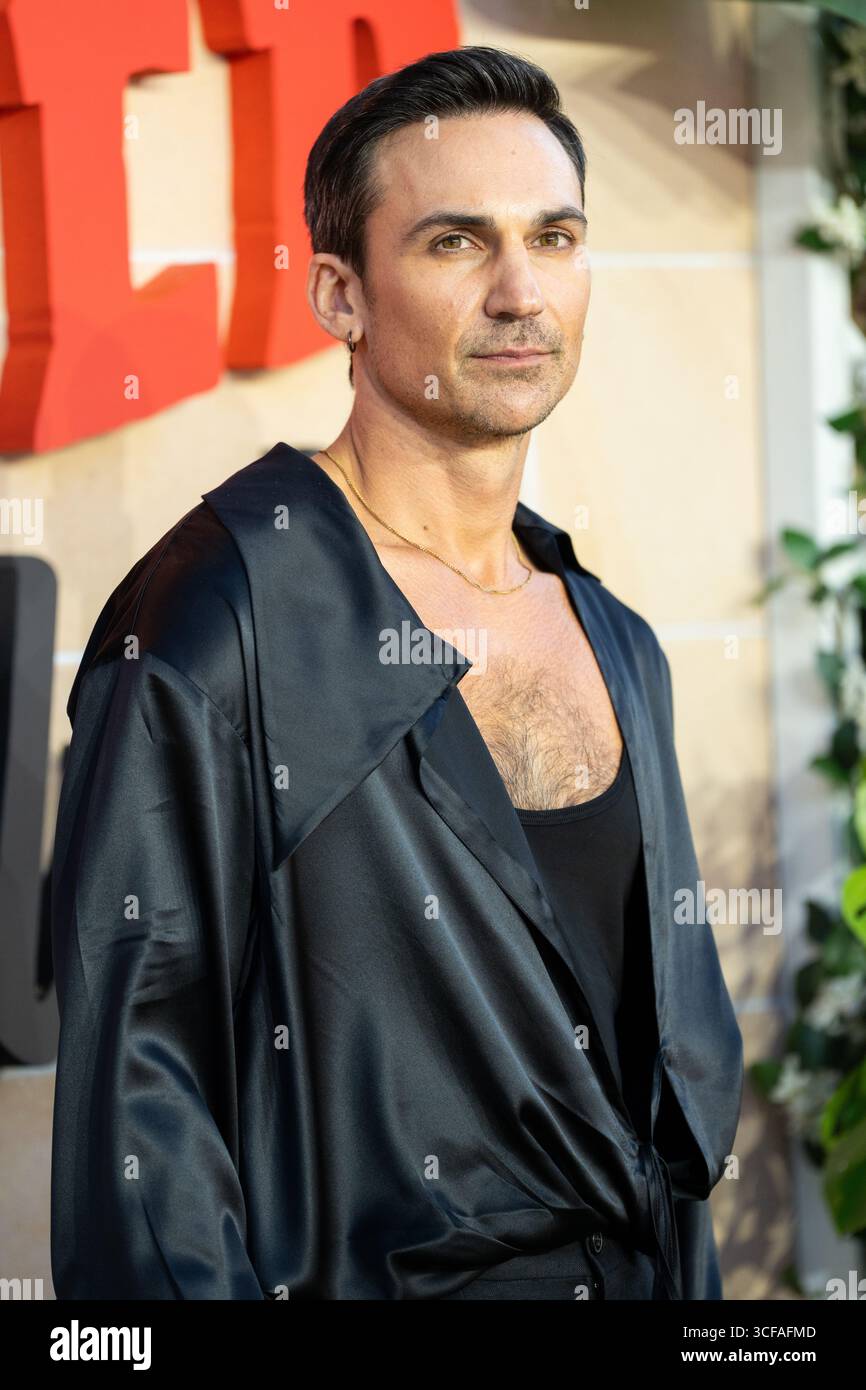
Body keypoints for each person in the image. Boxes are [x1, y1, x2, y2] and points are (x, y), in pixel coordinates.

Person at [50, 45, 743, 1301]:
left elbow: (662, 1112)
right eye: (453, 243)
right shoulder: (219, 615)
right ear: (339, 294)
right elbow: (136, 1122)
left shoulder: (615, 639)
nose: (520, 291)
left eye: (555, 235)